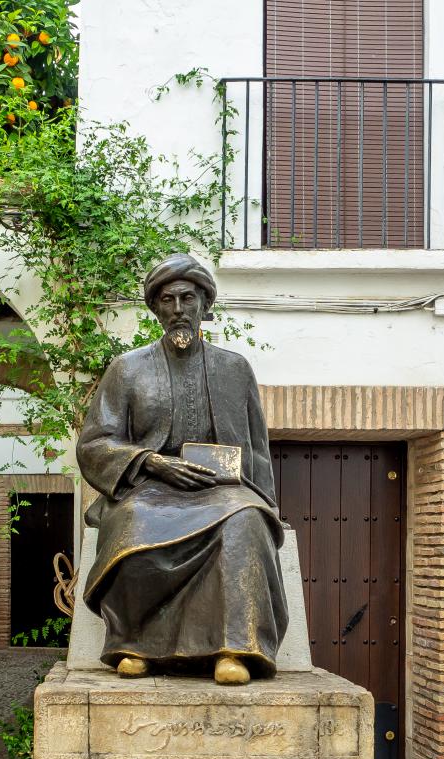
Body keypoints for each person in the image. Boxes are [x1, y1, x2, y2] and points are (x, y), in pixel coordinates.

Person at [76, 253, 288, 684]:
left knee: (245, 519)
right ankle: (133, 644)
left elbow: (258, 449)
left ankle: (234, 649)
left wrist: (266, 504)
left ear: (204, 305)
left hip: (220, 487)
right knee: (133, 520)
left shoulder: (234, 369)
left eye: (187, 299)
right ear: (156, 309)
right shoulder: (127, 368)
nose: (178, 310)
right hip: (148, 486)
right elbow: (95, 442)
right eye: (168, 300)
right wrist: (151, 461)